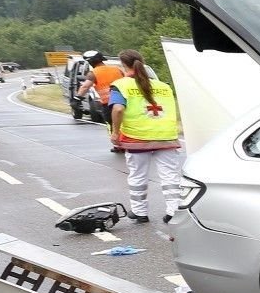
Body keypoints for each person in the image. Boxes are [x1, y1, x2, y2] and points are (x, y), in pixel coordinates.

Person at [107, 49, 184, 223]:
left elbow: (118, 109)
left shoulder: (121, 85)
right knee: (170, 176)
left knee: (137, 175)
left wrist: (115, 132)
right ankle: (173, 211)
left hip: (137, 138)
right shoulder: (164, 86)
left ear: (123, 65)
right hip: (166, 137)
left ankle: (140, 212)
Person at [78, 52, 126, 149]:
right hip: (124, 101)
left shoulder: (93, 73)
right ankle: (126, 142)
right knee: (124, 122)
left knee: (112, 123)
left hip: (108, 103)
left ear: (90, 62)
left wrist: (77, 98)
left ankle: (118, 144)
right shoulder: (117, 69)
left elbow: (85, 86)